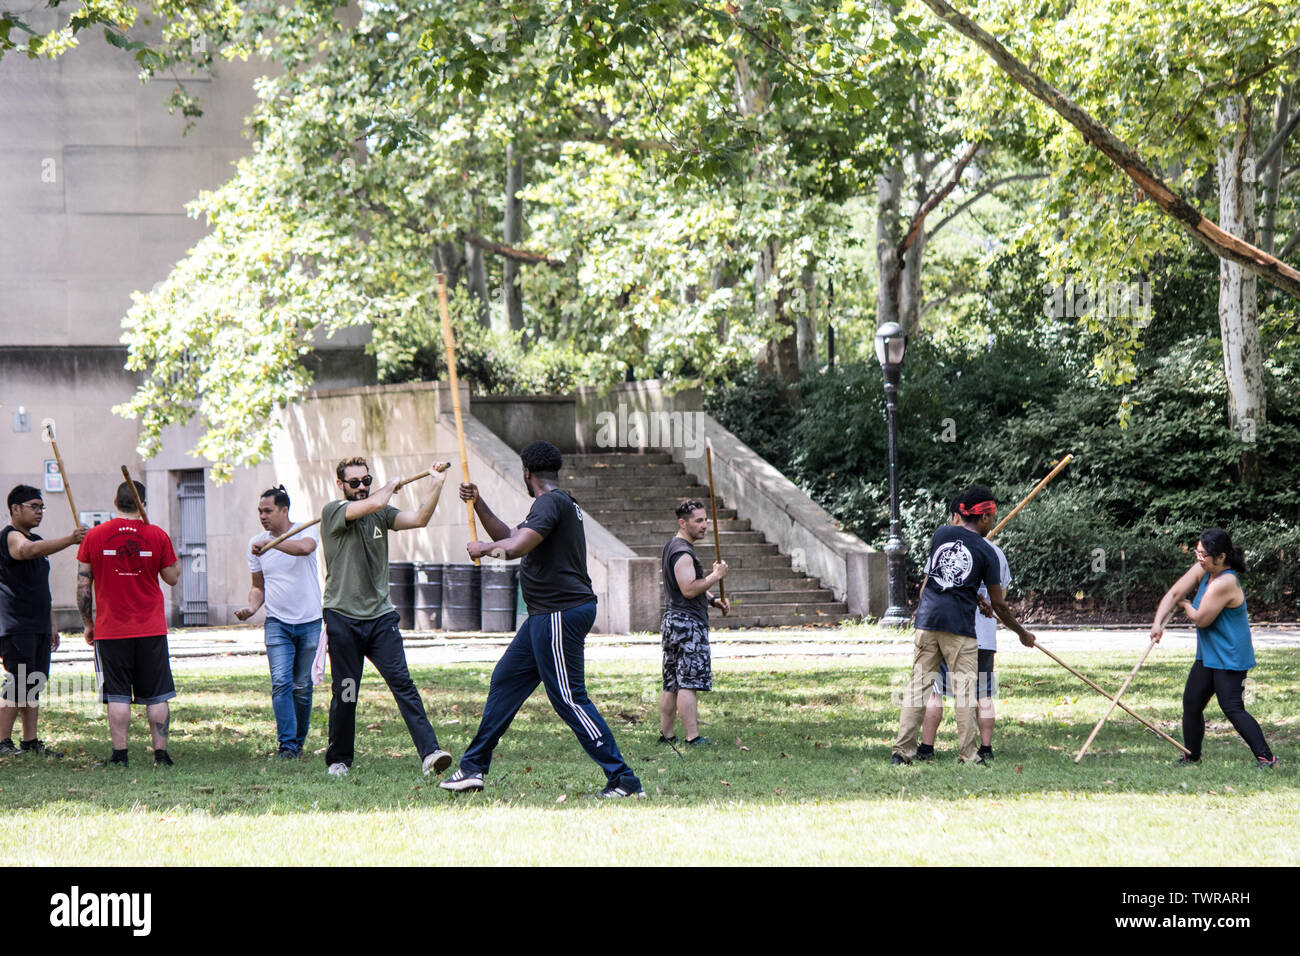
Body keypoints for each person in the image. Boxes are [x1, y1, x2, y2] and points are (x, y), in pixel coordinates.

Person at [441, 440, 644, 798]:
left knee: (568, 697)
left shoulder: (551, 502)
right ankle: (473, 768)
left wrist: (484, 550)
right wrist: (479, 502)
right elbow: (510, 535)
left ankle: (623, 780)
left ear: (527, 472)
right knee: (505, 681)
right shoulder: (553, 504)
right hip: (544, 616)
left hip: (559, 613)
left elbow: (513, 548)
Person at [321, 457, 452, 777]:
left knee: (402, 682)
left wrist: (435, 485)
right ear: (341, 485)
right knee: (347, 689)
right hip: (342, 616)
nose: (362, 487)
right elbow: (374, 501)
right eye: (354, 483)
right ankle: (339, 759)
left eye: (366, 480)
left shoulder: (381, 513)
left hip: (380, 617)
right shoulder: (333, 511)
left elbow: (419, 518)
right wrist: (388, 487)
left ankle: (431, 752)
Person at [891, 485, 1035, 766]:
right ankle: (969, 755)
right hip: (959, 629)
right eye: (991, 516)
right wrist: (1021, 633)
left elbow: (943, 579)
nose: (992, 522)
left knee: (918, 688)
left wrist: (976, 596)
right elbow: (1001, 606)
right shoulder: (987, 552)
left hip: (927, 620)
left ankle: (901, 753)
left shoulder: (941, 535)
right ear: (982, 518)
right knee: (966, 693)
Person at [1150, 528, 1278, 768]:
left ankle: (1268, 759)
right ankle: (1192, 756)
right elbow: (1175, 592)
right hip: (1208, 654)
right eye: (1197, 553)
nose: (1199, 558)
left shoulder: (1225, 582)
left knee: (1231, 707)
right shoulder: (1203, 569)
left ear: (1221, 557)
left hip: (1231, 655)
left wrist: (1186, 604)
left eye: (1204, 555)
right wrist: (1158, 623)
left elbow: (1201, 619)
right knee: (1192, 703)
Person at [75, 480, 180, 768]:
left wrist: (87, 623)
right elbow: (172, 577)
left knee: (117, 694)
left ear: (115, 501)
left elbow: (83, 586)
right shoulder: (157, 535)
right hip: (150, 628)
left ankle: (120, 755)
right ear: (142, 502)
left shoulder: (95, 536)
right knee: (157, 693)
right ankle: (161, 754)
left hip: (111, 629)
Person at [917, 496, 1011, 763]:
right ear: (983, 519)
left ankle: (926, 747)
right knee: (982, 693)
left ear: (960, 516)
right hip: (984, 636)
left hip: (952, 629)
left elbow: (928, 588)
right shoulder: (996, 554)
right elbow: (999, 599)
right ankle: (985, 749)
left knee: (936, 691)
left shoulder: (944, 545)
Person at [235, 485, 322, 758]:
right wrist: (251, 607)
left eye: (268, 510)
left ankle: (297, 742)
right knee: (281, 683)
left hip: (310, 621)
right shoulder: (256, 544)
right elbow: (258, 585)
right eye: (260, 511)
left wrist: (272, 544)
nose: (263, 516)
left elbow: (304, 549)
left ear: (284, 510)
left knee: (302, 686)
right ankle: (287, 746)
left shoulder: (305, 529)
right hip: (277, 623)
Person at [0, 485, 87, 757]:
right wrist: (70, 539)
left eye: (41, 507)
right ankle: (2, 742)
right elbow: (27, 551)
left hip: (37, 624)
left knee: (34, 682)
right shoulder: (11, 538)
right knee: (18, 681)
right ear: (15, 509)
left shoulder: (37, 539)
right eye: (33, 506)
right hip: (16, 625)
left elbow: (41, 588)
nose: (39, 512)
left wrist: (51, 624)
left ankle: (30, 742)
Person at [658, 498, 729, 747]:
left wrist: (712, 600)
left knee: (672, 682)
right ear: (682, 523)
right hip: (687, 624)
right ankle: (693, 737)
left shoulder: (673, 546)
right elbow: (688, 589)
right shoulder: (682, 551)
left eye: (706, 520)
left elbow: (687, 585)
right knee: (688, 682)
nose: (705, 525)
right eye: (698, 521)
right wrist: (715, 576)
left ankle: (666, 735)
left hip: (674, 621)